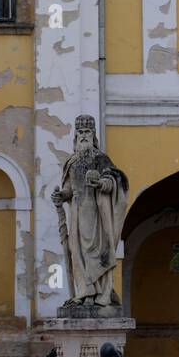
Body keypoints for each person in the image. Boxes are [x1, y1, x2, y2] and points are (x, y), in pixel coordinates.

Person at [52, 113, 128, 311]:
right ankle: (84, 292)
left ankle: (98, 292)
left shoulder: (100, 159)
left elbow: (114, 181)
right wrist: (62, 195)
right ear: (75, 136)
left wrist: (100, 183)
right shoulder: (72, 162)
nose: (83, 135)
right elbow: (69, 187)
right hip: (76, 212)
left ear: (93, 135)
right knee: (76, 251)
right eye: (80, 132)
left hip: (95, 213)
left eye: (87, 132)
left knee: (94, 250)